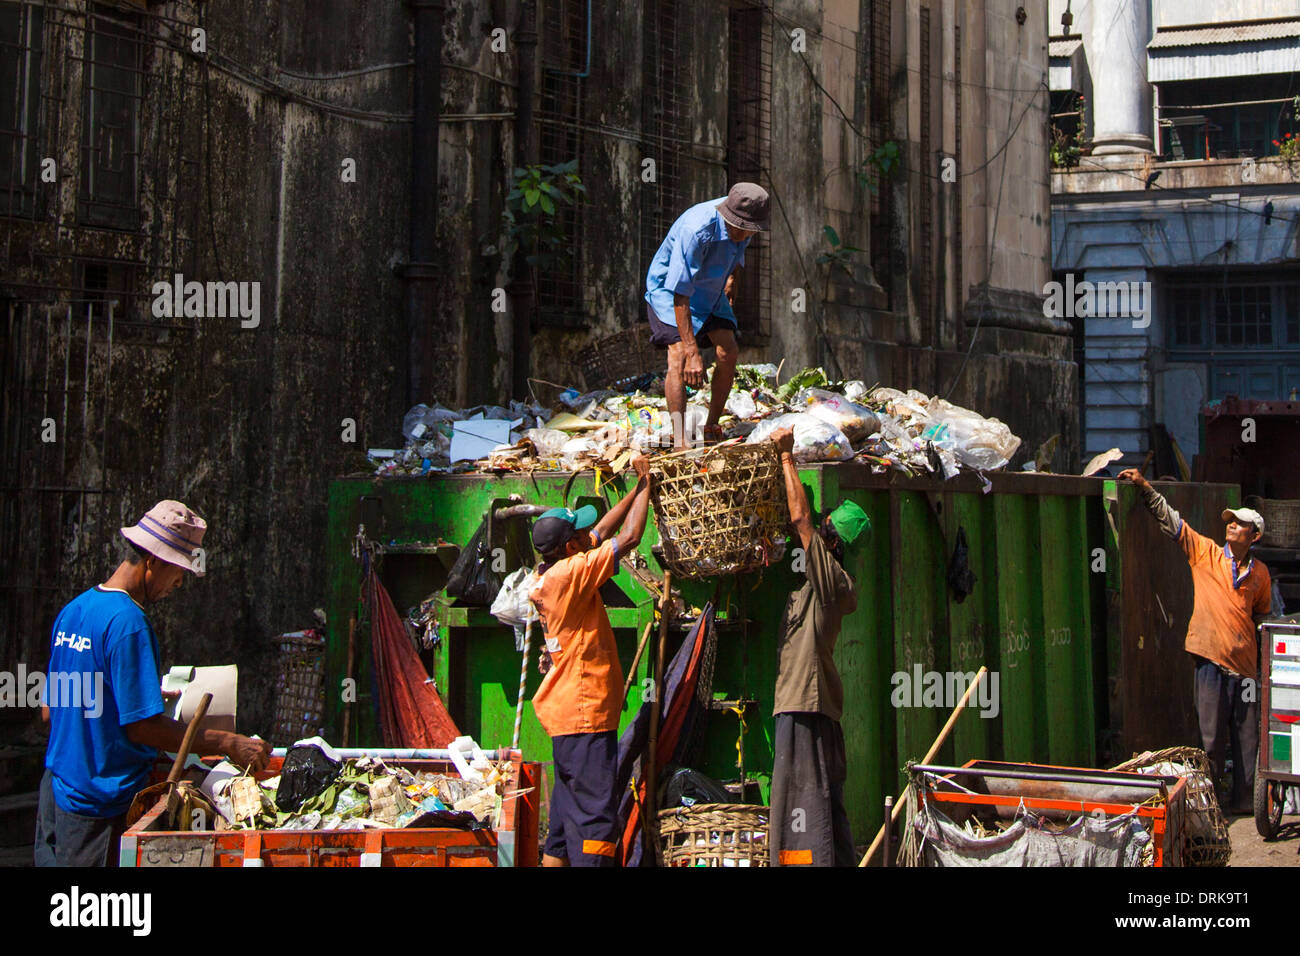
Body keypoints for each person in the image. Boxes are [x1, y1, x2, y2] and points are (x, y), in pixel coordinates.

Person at [36, 501, 271, 867]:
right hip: (99, 805)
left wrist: (126, 696)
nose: (177, 584)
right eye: (177, 572)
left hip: (56, 794)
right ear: (153, 562)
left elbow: (51, 711)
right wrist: (227, 742)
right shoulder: (129, 622)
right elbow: (142, 728)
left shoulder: (75, 610)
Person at [1120, 470, 1271, 812]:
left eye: (1240, 523)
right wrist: (1145, 487)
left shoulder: (1260, 574)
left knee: (1247, 738)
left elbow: (1260, 616)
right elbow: (1172, 523)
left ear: (1255, 536)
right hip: (1209, 661)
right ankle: (1213, 804)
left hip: (1245, 668)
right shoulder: (1206, 553)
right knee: (1211, 738)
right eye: (1230, 522)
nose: (1232, 526)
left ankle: (1245, 801)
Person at [530, 455, 652, 866]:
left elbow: (602, 531)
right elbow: (632, 535)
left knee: (563, 829)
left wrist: (636, 488)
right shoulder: (571, 575)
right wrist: (650, 481)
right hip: (586, 717)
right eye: (579, 533)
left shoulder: (553, 572)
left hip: (565, 721)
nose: (589, 534)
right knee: (596, 824)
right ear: (570, 547)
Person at [768, 427, 869, 866]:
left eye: (824, 530)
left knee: (802, 804)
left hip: (805, 703)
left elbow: (800, 521)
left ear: (832, 543)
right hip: (814, 702)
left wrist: (786, 457)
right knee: (826, 802)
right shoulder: (831, 584)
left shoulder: (831, 579)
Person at [645, 182, 770, 449]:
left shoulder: (747, 215)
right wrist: (693, 352)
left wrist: (732, 278)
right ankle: (680, 440)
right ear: (728, 215)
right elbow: (680, 294)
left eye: (750, 230)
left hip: (711, 291)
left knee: (729, 350)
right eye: (739, 228)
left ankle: (711, 425)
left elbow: (738, 252)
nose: (744, 234)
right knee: (678, 356)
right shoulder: (696, 230)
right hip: (671, 293)